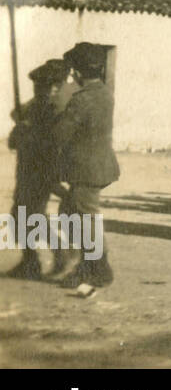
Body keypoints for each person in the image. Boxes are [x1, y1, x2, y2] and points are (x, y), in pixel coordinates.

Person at [50, 43, 120, 292]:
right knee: (70, 212)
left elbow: (61, 134)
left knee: (85, 218)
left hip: (86, 168)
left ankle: (98, 269)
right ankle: (88, 265)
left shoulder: (82, 99)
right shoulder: (103, 92)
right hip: (98, 165)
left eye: (73, 71)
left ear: (79, 72)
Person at [6, 59, 66, 279]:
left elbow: (50, 143)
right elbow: (13, 142)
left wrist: (27, 132)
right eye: (37, 86)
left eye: (43, 86)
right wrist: (19, 129)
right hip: (25, 170)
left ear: (53, 86)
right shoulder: (32, 108)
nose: (40, 90)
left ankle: (60, 255)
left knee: (33, 216)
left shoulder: (54, 111)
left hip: (42, 170)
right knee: (20, 215)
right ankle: (30, 262)